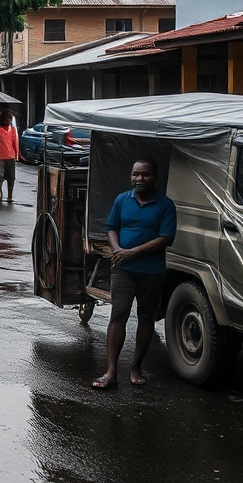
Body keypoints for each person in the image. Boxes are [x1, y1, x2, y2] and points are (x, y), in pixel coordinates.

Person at [94, 157, 177, 390]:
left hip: (151, 271)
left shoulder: (165, 205)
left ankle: (136, 367)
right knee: (118, 314)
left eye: (145, 175)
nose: (139, 179)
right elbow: (112, 228)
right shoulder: (123, 200)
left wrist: (132, 252)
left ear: (155, 177)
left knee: (146, 317)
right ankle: (110, 372)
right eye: (135, 174)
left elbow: (165, 239)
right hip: (123, 270)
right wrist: (118, 250)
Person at [0, 110, 19, 203]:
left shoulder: (13, 129)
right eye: (7, 118)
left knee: (11, 177)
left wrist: (17, 155)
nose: (9, 120)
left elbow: (15, 143)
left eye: (10, 118)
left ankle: (10, 195)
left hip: (10, 156)